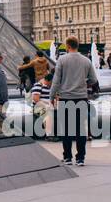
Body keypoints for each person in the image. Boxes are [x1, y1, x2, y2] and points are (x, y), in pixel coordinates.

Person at [49, 37, 98, 167]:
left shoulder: (62, 60)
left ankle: (68, 157)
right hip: (81, 97)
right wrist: (82, 84)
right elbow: (93, 79)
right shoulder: (86, 60)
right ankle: (81, 158)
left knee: (66, 129)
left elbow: (56, 81)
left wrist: (51, 96)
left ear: (67, 46)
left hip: (65, 97)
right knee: (80, 129)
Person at [29, 68, 54, 139]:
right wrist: (46, 106)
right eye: (53, 82)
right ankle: (49, 135)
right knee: (48, 114)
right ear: (49, 81)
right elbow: (36, 99)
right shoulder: (38, 85)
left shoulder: (51, 87)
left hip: (48, 106)